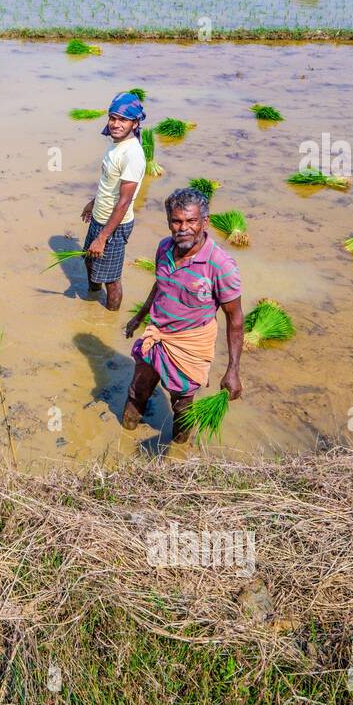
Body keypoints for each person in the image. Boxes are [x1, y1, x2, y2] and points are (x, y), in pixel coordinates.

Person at [123, 189, 244, 443]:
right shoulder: (164, 248)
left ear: (205, 222)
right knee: (137, 391)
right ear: (169, 222)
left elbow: (235, 319)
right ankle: (122, 438)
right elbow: (160, 285)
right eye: (177, 221)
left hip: (189, 347)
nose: (183, 228)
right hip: (156, 336)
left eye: (191, 221)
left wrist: (233, 370)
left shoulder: (220, 266)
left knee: (182, 407)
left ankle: (177, 452)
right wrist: (140, 315)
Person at [80, 91, 147, 312]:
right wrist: (93, 202)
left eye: (123, 120)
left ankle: (109, 318)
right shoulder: (116, 145)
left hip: (114, 226)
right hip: (100, 217)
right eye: (113, 118)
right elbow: (109, 185)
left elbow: (124, 202)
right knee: (89, 262)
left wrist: (102, 237)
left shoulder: (132, 155)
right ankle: (90, 304)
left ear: (135, 123)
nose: (116, 124)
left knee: (111, 278)